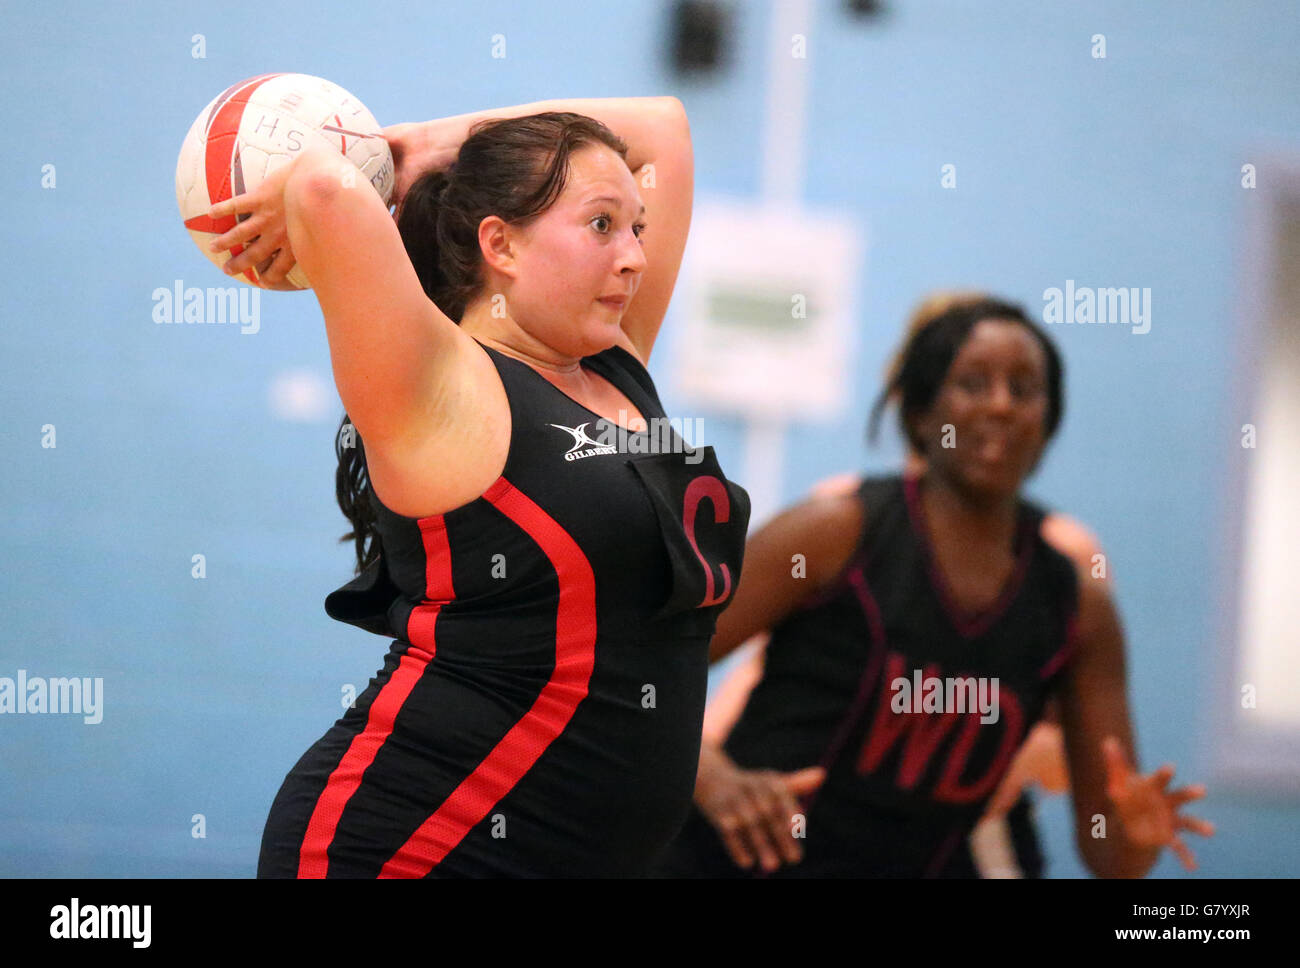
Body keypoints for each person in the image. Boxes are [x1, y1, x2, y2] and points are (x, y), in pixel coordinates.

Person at [207, 96, 750, 877]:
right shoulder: (443, 382)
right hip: (407, 847)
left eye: (636, 226)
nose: (633, 254)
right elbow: (326, 189)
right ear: (501, 244)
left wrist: (433, 138)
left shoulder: (614, 363)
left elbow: (663, 126)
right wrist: (372, 153)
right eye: (602, 225)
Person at [654, 296, 1213, 877]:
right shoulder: (833, 533)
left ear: (1048, 422)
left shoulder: (1079, 605)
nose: (1001, 405)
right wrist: (711, 775)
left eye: (1024, 390)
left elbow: (1109, 854)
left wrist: (1135, 835)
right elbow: (638, 667)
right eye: (973, 384)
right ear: (921, 413)